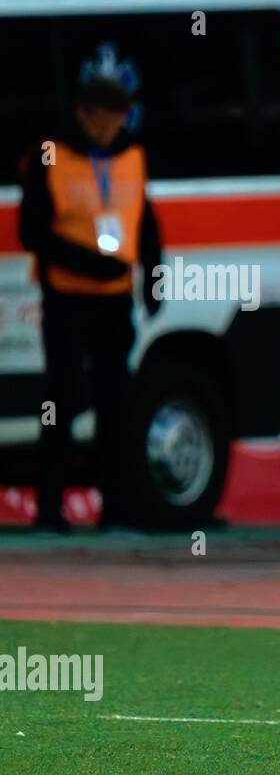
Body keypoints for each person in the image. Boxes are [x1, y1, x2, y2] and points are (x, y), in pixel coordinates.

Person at [18, 45, 161, 532]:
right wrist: (90, 263)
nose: (110, 126)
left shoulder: (132, 157)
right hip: (66, 298)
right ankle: (50, 509)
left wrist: (152, 279)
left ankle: (116, 508)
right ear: (82, 112)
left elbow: (146, 224)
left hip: (113, 301)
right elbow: (32, 232)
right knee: (59, 400)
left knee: (114, 405)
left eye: (118, 116)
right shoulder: (51, 156)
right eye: (102, 116)